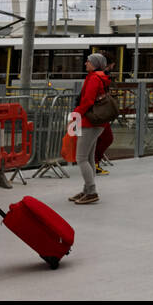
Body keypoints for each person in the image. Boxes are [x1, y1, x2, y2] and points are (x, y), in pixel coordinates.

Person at [69, 53, 111, 205]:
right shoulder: (102, 77)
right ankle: (87, 190)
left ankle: (91, 191)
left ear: (94, 63)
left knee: (81, 158)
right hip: (99, 123)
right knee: (89, 158)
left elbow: (87, 100)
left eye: (88, 61)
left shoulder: (93, 78)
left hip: (89, 123)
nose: (85, 63)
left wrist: (76, 114)